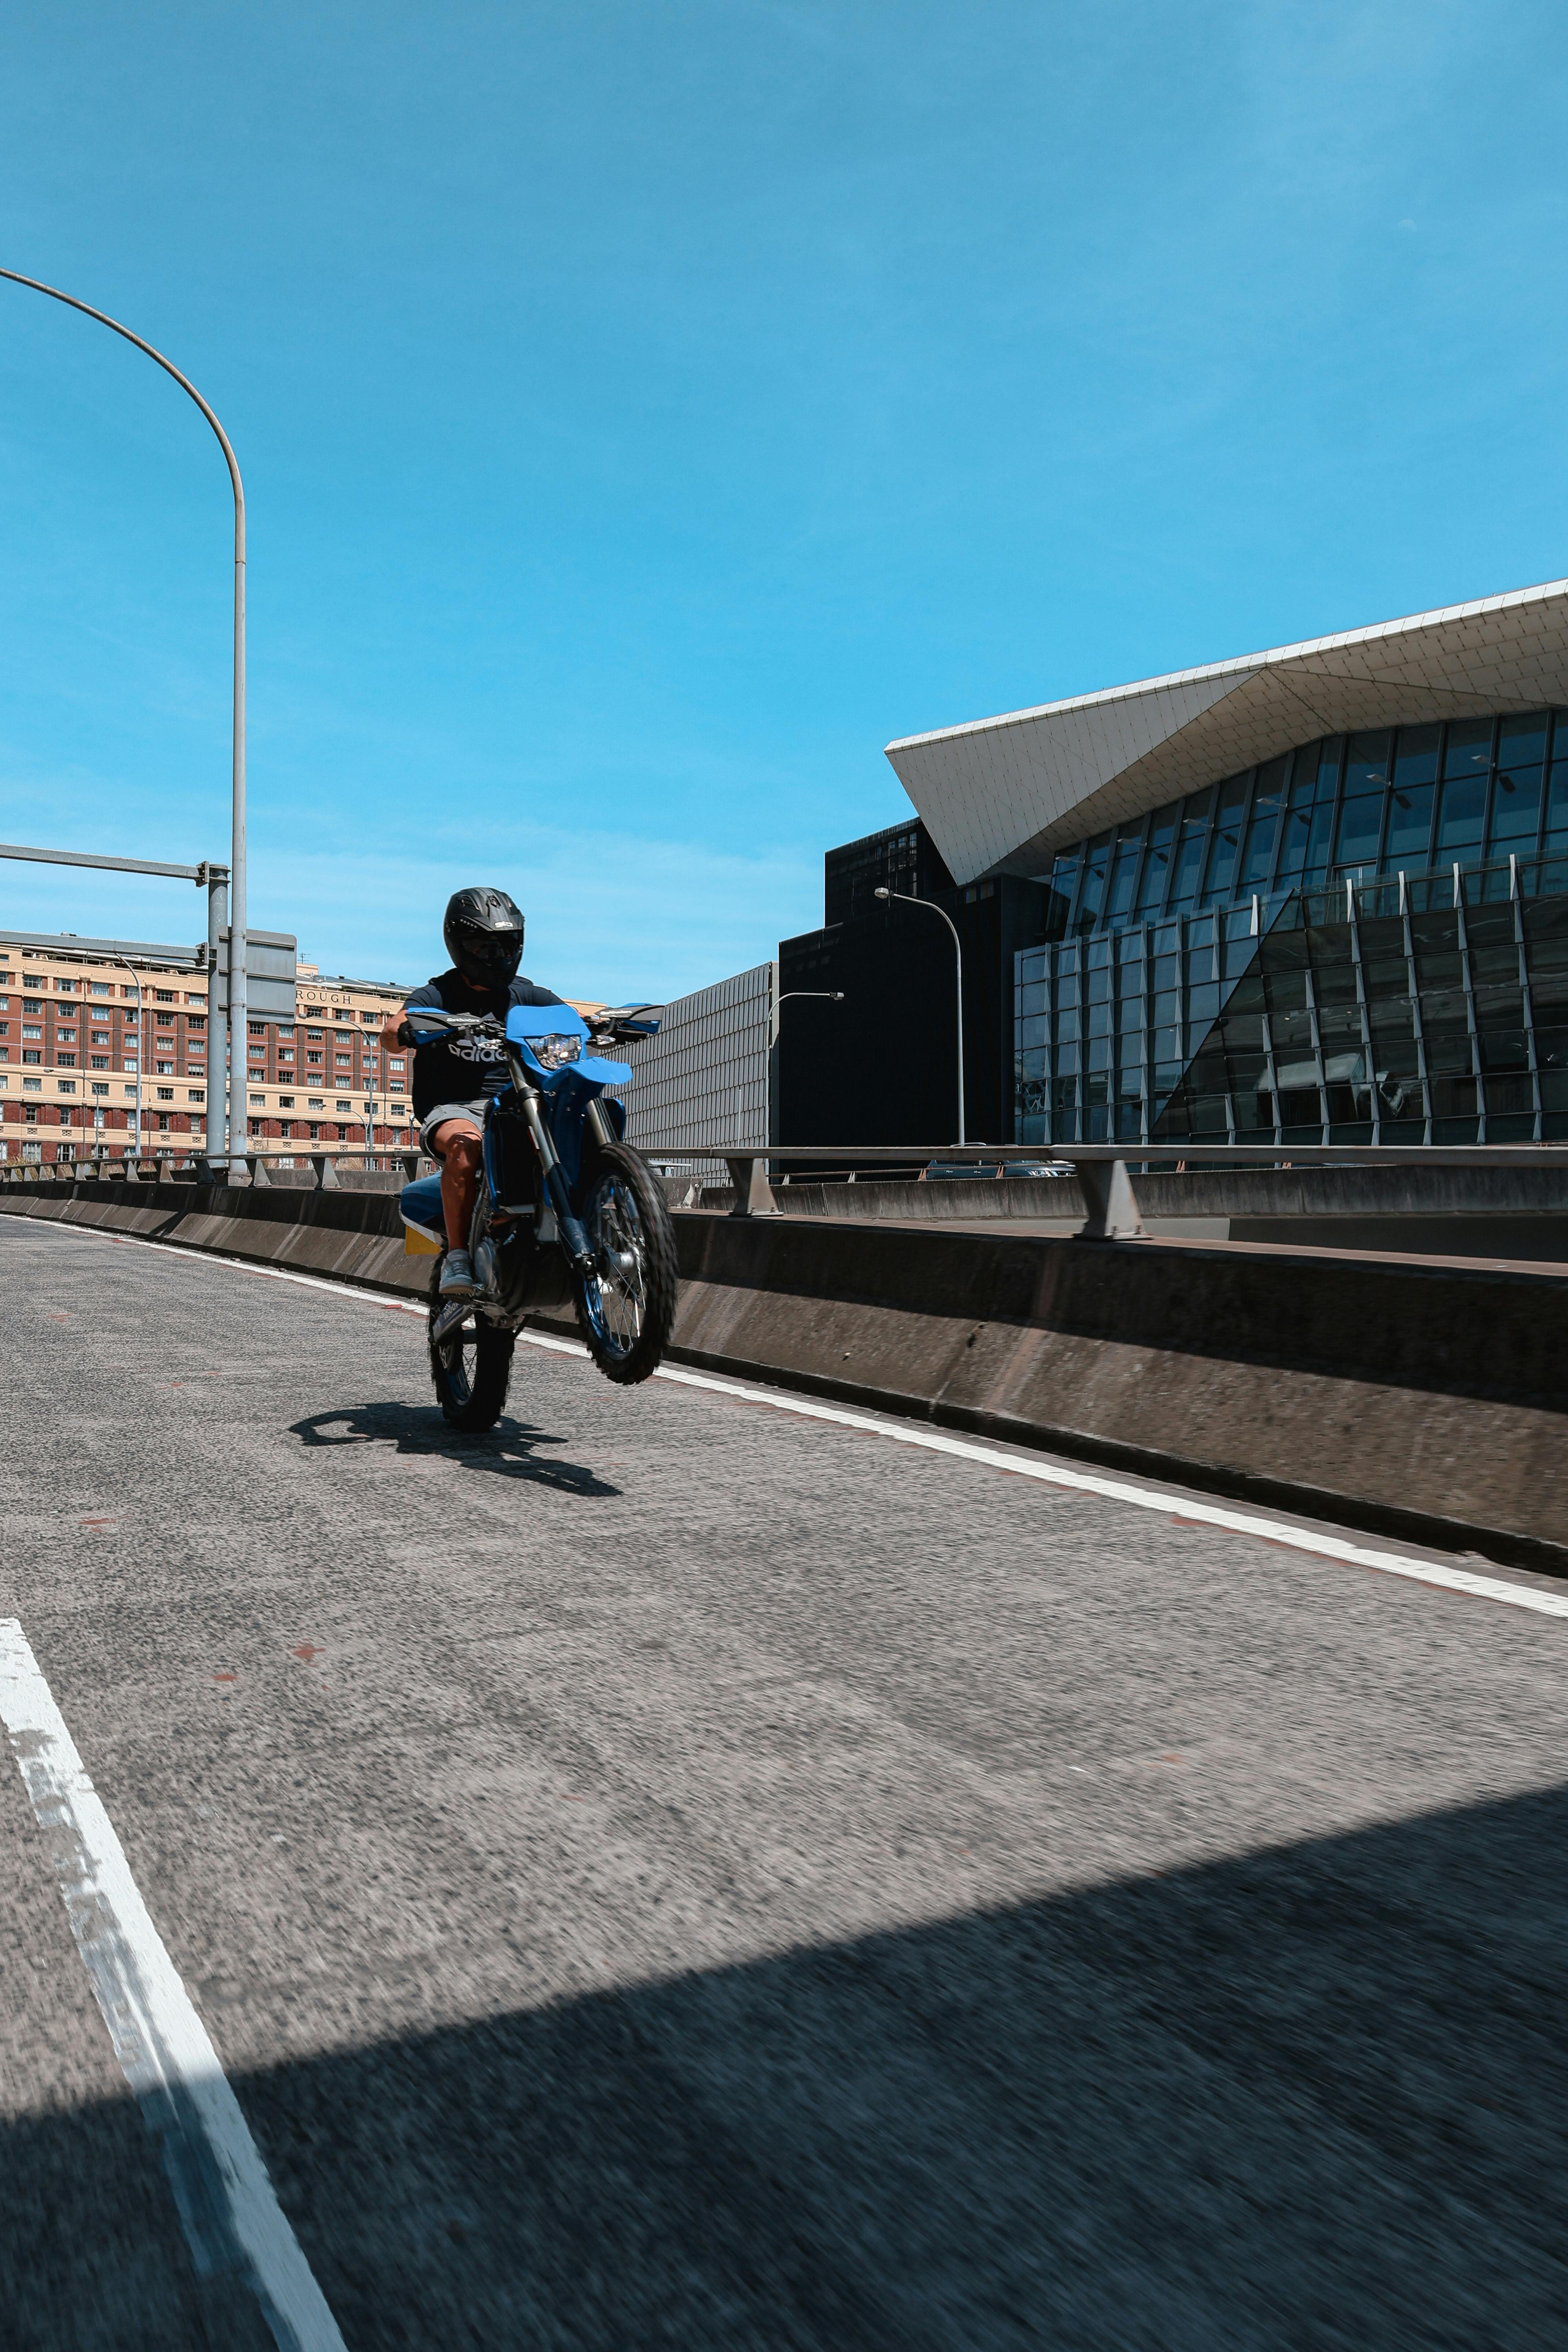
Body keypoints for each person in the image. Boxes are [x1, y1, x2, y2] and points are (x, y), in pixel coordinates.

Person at [384, 887, 565, 1296]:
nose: (494, 955)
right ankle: (458, 1258)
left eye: (504, 944)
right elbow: (393, 1032)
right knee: (467, 1148)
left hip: (515, 1106)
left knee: (566, 1139)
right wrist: (406, 1031)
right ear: (458, 945)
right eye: (482, 945)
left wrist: (600, 1028)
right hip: (453, 1108)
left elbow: (570, 1018)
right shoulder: (439, 994)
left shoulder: (527, 995)